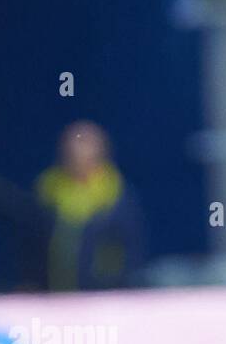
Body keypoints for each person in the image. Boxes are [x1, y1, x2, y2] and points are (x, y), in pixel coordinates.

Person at [35, 121, 145, 291]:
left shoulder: (118, 196)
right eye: (70, 146)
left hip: (102, 299)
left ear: (101, 153)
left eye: (84, 144)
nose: (76, 152)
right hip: (51, 298)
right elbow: (32, 245)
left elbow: (132, 253)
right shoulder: (47, 191)